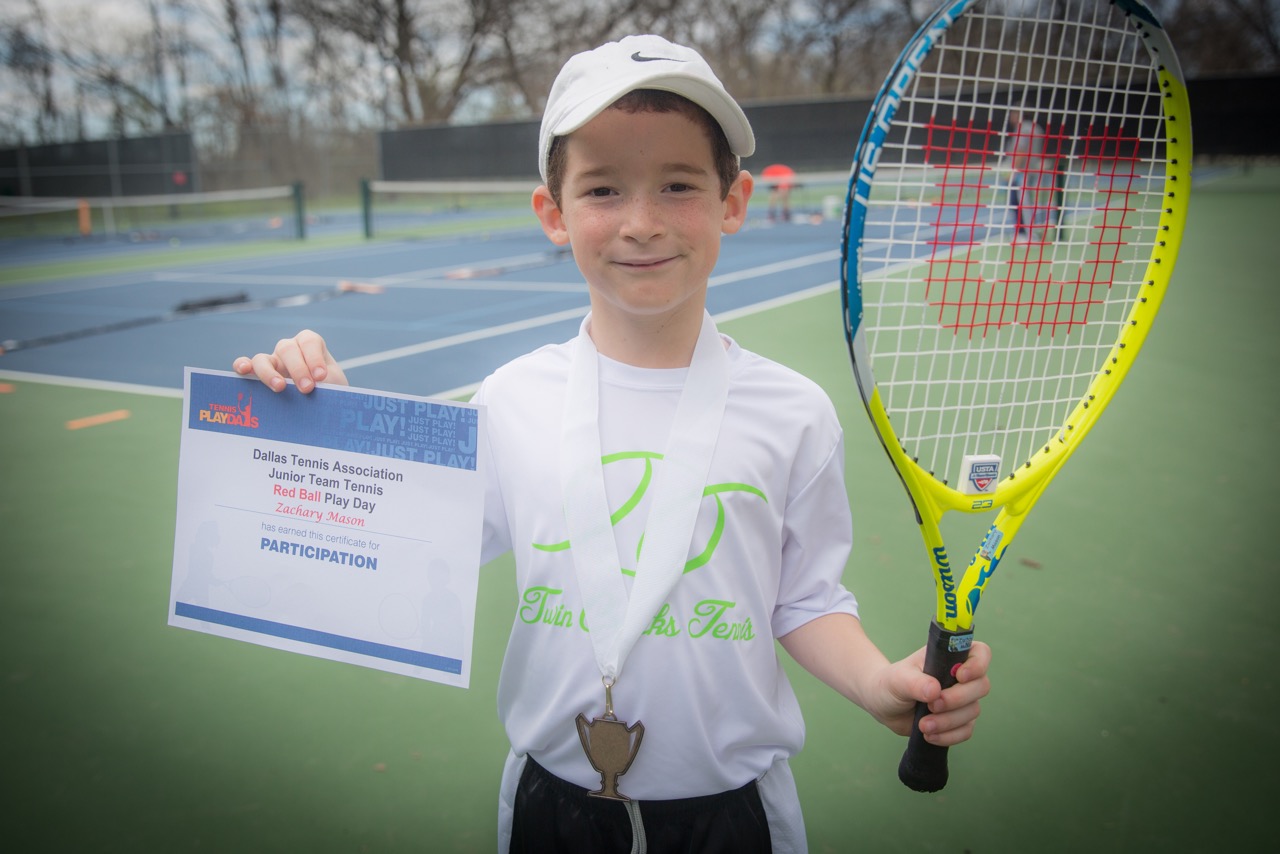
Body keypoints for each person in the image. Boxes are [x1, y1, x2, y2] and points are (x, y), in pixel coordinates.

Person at [233, 34, 991, 854]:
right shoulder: (511, 400)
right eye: (602, 189)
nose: (641, 222)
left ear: (733, 202)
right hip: (549, 809)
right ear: (553, 214)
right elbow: (410, 539)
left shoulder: (794, 412)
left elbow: (802, 600)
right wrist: (326, 424)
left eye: (677, 184)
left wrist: (877, 680)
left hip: (736, 817)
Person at [1003, 109, 1050, 239]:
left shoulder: (1024, 129)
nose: (1011, 116)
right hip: (1031, 170)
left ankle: (1027, 234)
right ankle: (1025, 232)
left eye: (1013, 114)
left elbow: (1021, 151)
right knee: (1023, 200)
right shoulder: (1036, 128)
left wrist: (1014, 171)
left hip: (1023, 171)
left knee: (1021, 201)